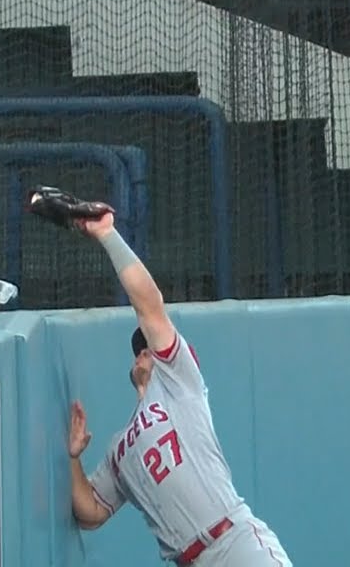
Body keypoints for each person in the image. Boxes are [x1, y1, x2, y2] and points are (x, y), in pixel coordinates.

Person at [65, 210, 292, 566]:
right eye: (137, 349)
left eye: (148, 348)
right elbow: (90, 512)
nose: (143, 352)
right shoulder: (118, 450)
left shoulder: (178, 383)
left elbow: (150, 308)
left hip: (234, 542)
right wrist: (73, 458)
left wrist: (108, 235)